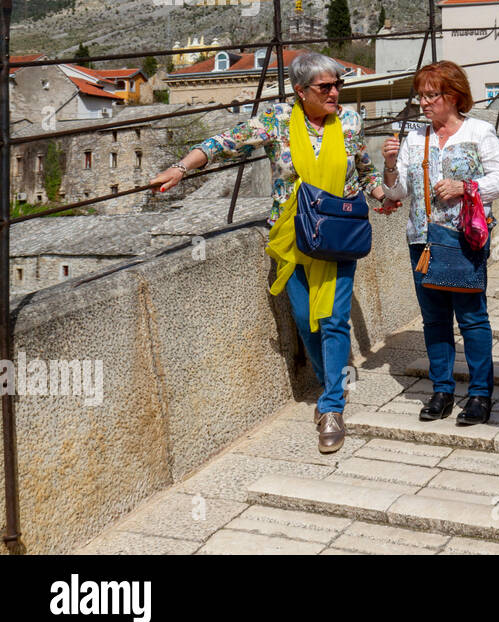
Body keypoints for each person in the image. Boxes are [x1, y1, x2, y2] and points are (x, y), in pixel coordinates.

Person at [150, 52, 387, 454]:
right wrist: (181, 168)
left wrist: (381, 193)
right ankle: (328, 376)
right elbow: (224, 142)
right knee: (304, 319)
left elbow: (363, 169)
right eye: (325, 87)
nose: (335, 93)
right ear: (300, 91)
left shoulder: (349, 122)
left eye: (338, 85)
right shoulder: (276, 121)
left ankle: (331, 406)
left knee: (332, 319)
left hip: (339, 234)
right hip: (290, 236)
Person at [382, 61, 499, 426]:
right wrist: (391, 164)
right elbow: (398, 191)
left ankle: (481, 394)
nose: (423, 103)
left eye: (431, 95)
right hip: (422, 241)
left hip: (463, 238)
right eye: (420, 95)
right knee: (434, 320)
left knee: (472, 318)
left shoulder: (479, 132)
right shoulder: (414, 139)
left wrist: (465, 187)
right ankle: (442, 389)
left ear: (453, 96)